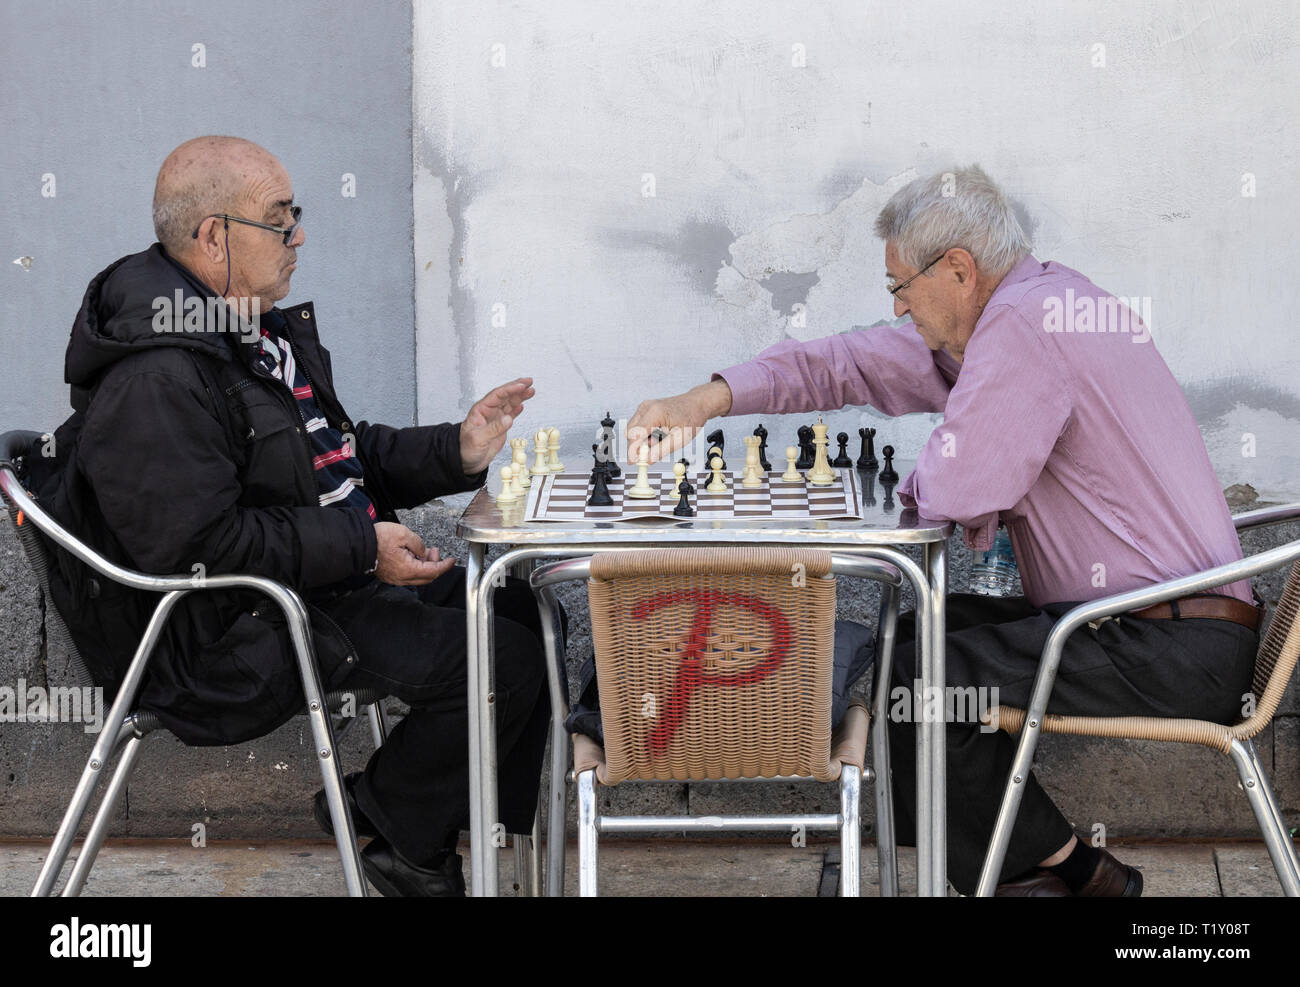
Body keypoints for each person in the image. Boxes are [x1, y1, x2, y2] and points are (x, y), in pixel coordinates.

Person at [624, 164, 1261, 896]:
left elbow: (958, 486)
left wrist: (914, 492)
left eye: (898, 286)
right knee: (909, 645)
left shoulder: (1024, 327)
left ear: (957, 268)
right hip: (1142, 623)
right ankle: (1066, 873)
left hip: (1168, 645)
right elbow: (846, 363)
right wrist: (707, 399)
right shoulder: (1026, 309)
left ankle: (1051, 875)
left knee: (922, 684)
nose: (896, 308)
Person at [36, 136, 552, 896]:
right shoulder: (157, 377)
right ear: (215, 236)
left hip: (318, 582)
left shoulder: (246, 329)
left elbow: (338, 454)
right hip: (234, 629)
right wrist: (360, 546)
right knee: (499, 664)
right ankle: (404, 829)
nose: (298, 235)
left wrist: (459, 449)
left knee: (522, 611)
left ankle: (412, 824)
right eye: (280, 219)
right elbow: (200, 547)